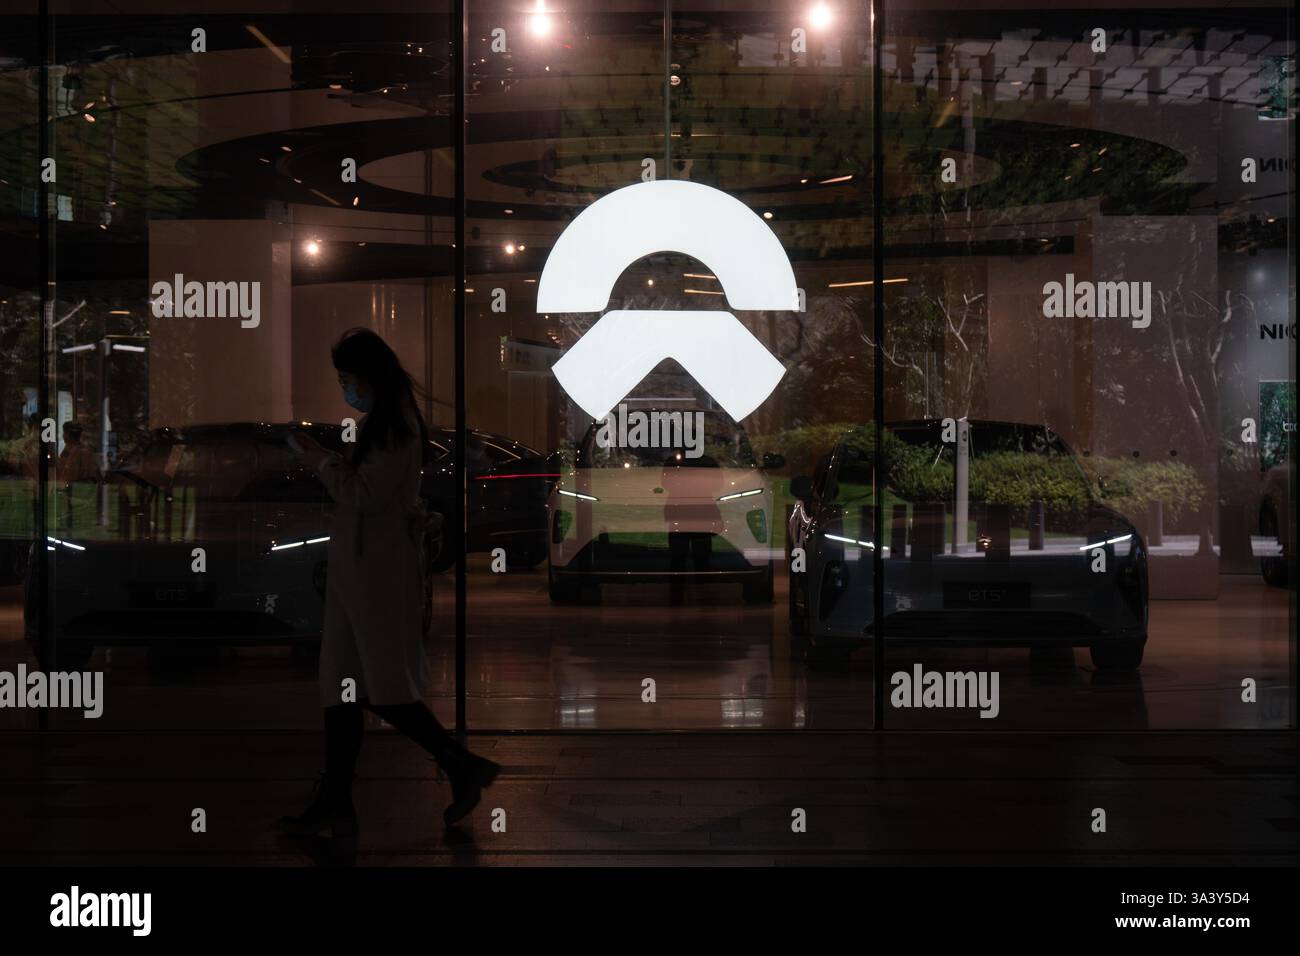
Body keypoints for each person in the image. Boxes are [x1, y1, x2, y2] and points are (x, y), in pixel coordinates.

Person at [280, 328, 499, 838]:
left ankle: (457, 765)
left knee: (377, 687)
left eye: (347, 378)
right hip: (359, 573)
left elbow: (363, 495)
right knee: (342, 688)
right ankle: (339, 798)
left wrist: (318, 458)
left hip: (375, 576)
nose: (345, 388)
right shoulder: (383, 424)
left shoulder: (394, 428)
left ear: (369, 376)